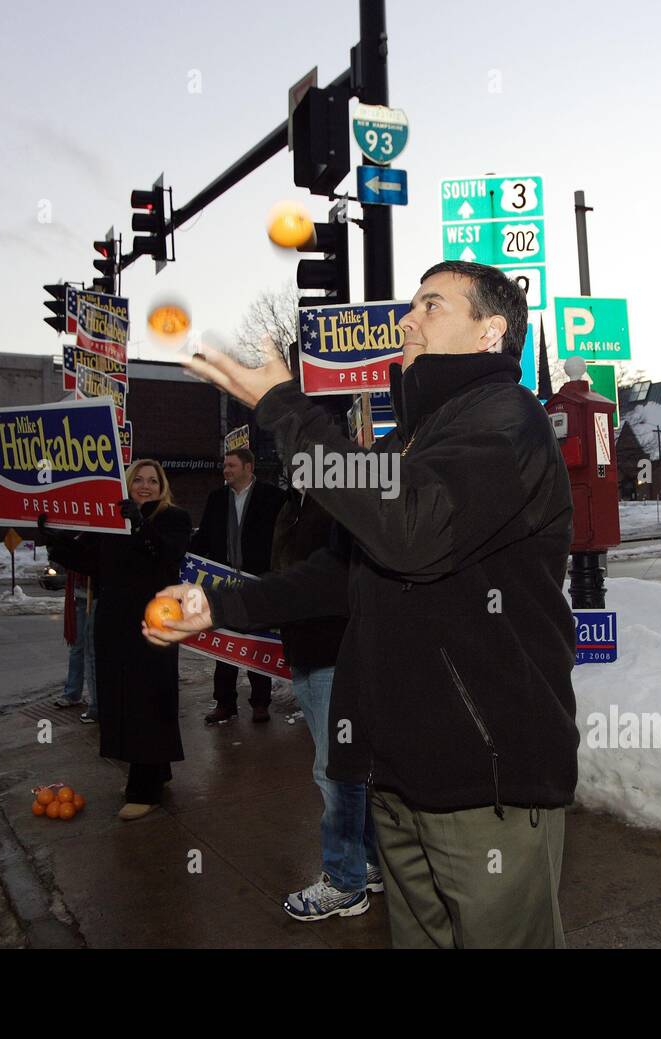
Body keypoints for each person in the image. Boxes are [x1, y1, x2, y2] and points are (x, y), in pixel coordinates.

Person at [147, 260, 579, 948]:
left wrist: (283, 409)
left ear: (490, 332)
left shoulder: (507, 423)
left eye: (432, 306)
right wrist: (218, 605)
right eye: (412, 305)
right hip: (398, 777)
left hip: (484, 781)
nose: (408, 318)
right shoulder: (414, 437)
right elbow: (337, 573)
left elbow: (408, 529)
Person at [40, 459, 191, 820]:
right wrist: (55, 541)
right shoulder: (111, 519)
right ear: (127, 483)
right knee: (121, 697)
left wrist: (139, 525)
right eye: (138, 479)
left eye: (153, 480)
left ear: (162, 486)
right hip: (114, 621)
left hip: (155, 622)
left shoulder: (174, 518)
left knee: (148, 699)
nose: (145, 486)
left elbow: (168, 556)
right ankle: (157, 769)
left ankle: (145, 788)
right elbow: (91, 561)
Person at [272, 488, 382, 921]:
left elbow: (349, 575)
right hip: (302, 649)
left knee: (335, 769)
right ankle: (366, 864)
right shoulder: (290, 505)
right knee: (346, 767)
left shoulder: (339, 500)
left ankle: (344, 883)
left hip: (335, 651)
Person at [189, 446, 285, 724]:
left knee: (258, 641)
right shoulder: (217, 498)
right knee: (224, 644)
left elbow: (282, 538)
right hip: (223, 581)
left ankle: (260, 702)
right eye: (225, 466)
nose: (226, 470)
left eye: (231, 465)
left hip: (258, 582)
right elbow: (204, 537)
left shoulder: (273, 498)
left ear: (248, 468)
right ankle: (225, 703)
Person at [53, 567, 97, 722]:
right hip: (80, 596)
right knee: (77, 648)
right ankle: (72, 693)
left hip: (97, 596)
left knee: (92, 652)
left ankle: (95, 703)